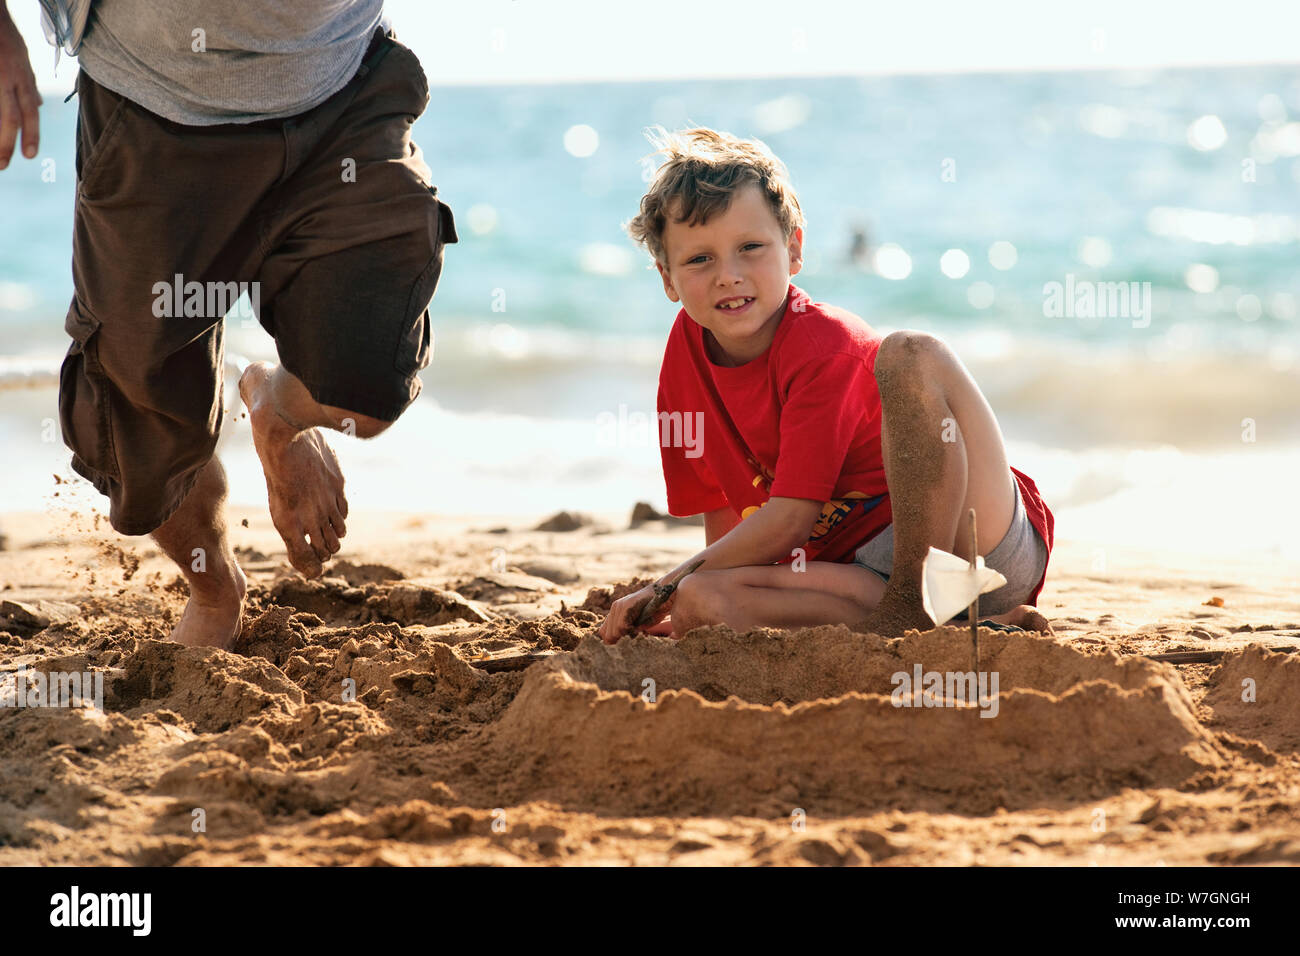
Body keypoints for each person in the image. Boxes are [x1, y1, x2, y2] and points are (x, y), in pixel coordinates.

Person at [0, 1, 456, 648]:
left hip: (341, 87)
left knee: (367, 382)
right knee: (140, 440)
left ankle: (277, 404)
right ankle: (216, 589)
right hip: (154, 105)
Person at [598, 127, 1053, 643]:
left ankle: (917, 609)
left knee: (909, 354)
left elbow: (790, 522)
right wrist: (683, 601)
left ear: (793, 250)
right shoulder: (684, 356)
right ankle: (960, 626)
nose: (728, 274)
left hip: (966, 540)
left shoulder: (820, 346)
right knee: (705, 600)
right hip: (854, 576)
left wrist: (661, 587)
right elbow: (727, 526)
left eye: (750, 247)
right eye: (699, 259)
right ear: (667, 278)